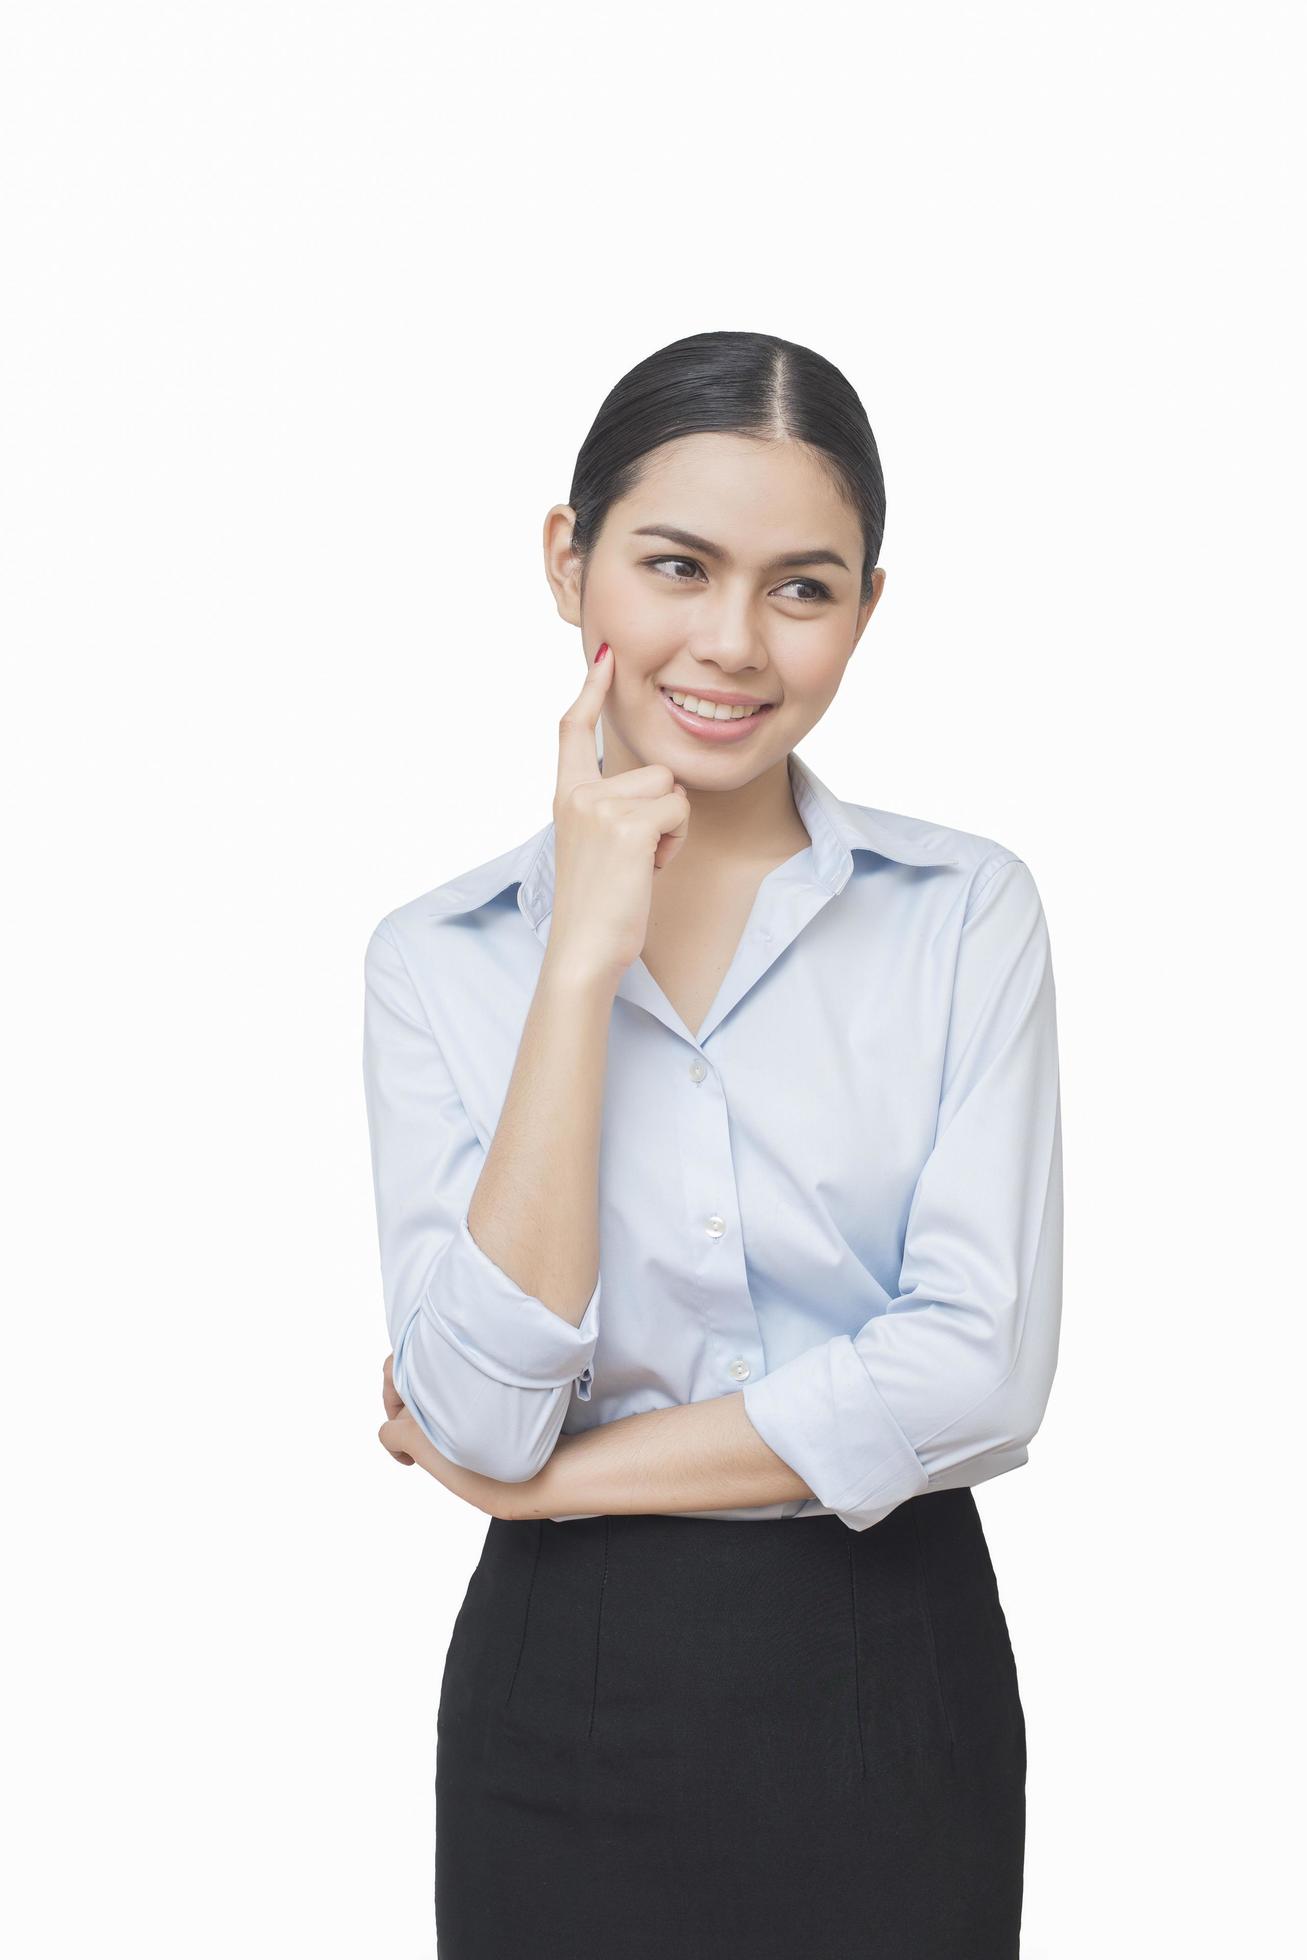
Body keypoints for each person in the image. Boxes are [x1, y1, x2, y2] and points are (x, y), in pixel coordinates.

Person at [362, 329, 1063, 1958]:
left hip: (895, 1685)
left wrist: (550, 1488)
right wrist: (579, 962)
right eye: (677, 566)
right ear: (569, 559)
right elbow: (478, 1405)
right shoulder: (438, 959)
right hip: (565, 1702)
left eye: (802, 588)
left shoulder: (964, 915)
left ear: (866, 607)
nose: (735, 643)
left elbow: (977, 1373)